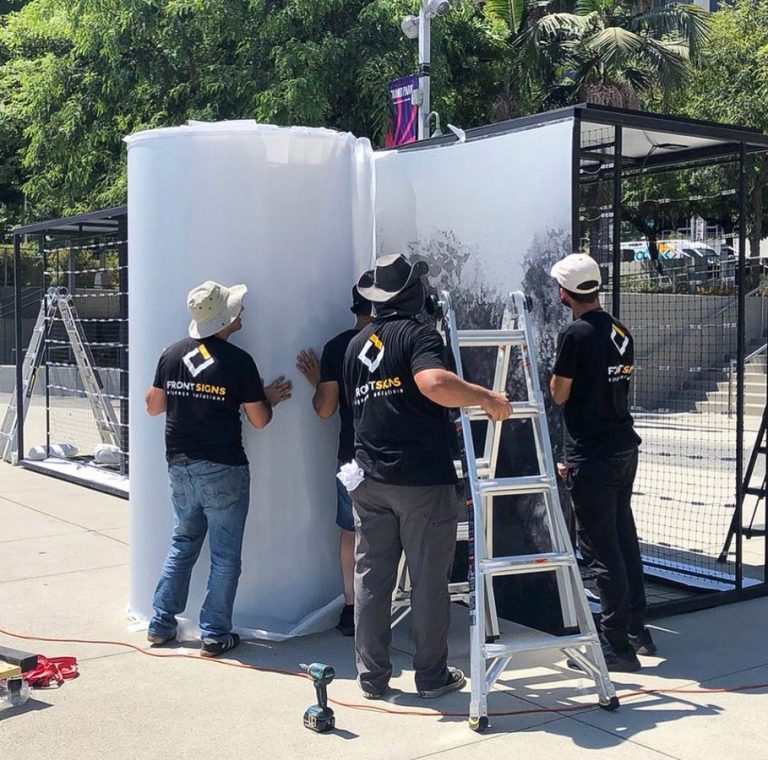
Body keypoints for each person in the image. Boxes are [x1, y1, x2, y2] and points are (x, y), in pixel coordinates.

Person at [343, 253, 512, 700]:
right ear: (413, 294)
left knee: (372, 579)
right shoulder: (418, 335)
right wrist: (486, 397)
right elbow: (434, 383)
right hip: (419, 479)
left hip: (369, 479)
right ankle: (432, 675)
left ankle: (371, 676)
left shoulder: (355, 345)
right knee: (429, 581)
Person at [145, 280, 293, 657]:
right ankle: (213, 634)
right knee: (225, 556)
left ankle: (161, 623)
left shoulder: (171, 354)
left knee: (183, 543)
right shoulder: (239, 362)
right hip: (224, 467)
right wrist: (268, 398)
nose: (242, 311)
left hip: (180, 465)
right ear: (224, 319)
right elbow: (259, 420)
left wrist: (176, 382)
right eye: (236, 308)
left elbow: (153, 406)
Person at [549, 254, 656, 673]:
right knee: (624, 539)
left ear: (564, 293)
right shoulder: (618, 330)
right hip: (622, 447)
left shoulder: (575, 334)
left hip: (592, 455)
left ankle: (616, 646)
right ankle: (636, 629)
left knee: (600, 551)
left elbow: (559, 394)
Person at [295, 286, 373, 637]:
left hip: (351, 456)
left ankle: (351, 608)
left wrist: (320, 383)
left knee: (350, 531)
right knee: (395, 531)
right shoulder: (400, 339)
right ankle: (387, 607)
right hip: (393, 455)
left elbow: (325, 409)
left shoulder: (338, 346)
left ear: (354, 307)